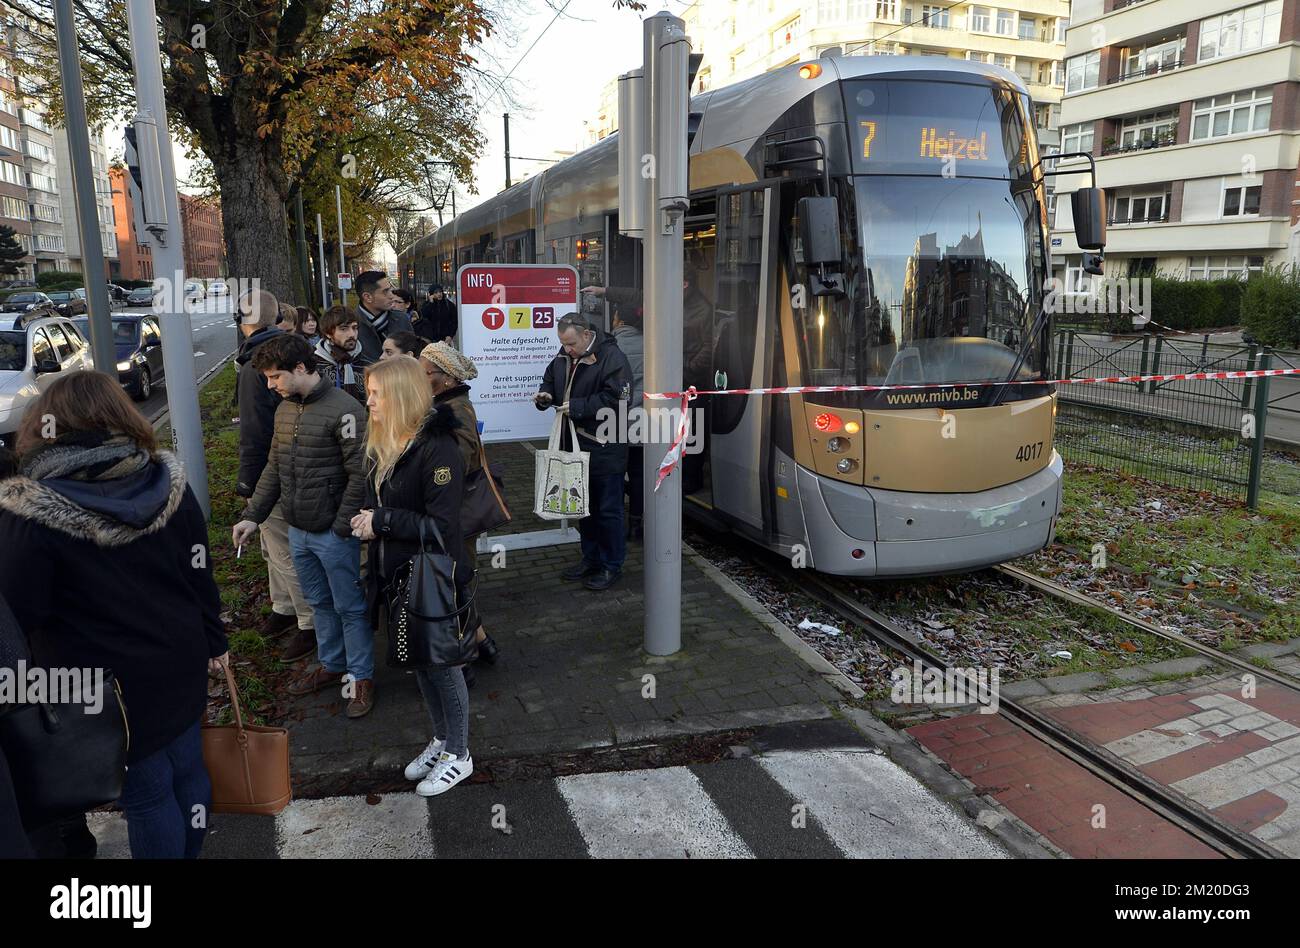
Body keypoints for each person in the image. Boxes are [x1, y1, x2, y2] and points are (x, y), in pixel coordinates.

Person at [0, 373, 228, 858]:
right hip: (181, 658)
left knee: (147, 796)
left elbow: (18, 614)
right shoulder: (170, 483)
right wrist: (216, 641)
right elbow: (199, 571)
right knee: (188, 771)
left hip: (106, 688)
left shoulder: (29, 517)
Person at [232, 334, 375, 717]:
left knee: (349, 606)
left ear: (300, 368)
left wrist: (342, 526)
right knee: (320, 602)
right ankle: (332, 664)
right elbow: (275, 468)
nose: (270, 385)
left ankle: (361, 677)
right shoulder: (285, 409)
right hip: (299, 528)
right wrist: (252, 516)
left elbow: (359, 475)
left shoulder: (345, 410)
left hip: (331, 532)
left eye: (275, 377)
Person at [350, 357, 475, 796]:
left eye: (376, 394)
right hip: (398, 575)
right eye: (368, 393)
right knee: (418, 663)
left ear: (401, 395)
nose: (369, 402)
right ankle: (442, 740)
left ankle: (459, 755)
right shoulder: (388, 443)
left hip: (434, 577)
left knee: (443, 665)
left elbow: (441, 527)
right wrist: (366, 519)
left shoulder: (438, 448)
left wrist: (381, 521)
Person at [235, 289, 316, 659]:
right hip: (288, 466)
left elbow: (253, 432)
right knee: (274, 548)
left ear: (243, 321)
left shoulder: (255, 366)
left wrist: (248, 485)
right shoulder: (282, 351)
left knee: (283, 549)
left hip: (275, 472)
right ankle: (284, 608)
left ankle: (309, 622)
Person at [533, 312, 632, 591]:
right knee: (583, 507)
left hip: (605, 446)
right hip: (575, 443)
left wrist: (577, 406)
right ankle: (591, 558)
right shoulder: (567, 355)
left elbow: (619, 401)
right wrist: (546, 396)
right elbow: (551, 378)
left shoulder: (613, 358)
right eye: (563, 344)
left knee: (608, 509)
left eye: (571, 344)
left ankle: (612, 565)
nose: (567, 349)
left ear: (587, 335)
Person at [421, 341, 501, 671]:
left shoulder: (454, 411)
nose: (417, 377)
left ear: (447, 378)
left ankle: (465, 655)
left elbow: (459, 461)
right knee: (453, 579)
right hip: (450, 512)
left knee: (455, 578)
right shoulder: (445, 403)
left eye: (422, 372)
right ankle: (481, 642)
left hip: (454, 512)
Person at [609, 306, 645, 540]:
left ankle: (617, 524)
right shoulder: (652, 344)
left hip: (615, 421)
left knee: (614, 474)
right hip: (645, 419)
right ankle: (637, 524)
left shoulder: (611, 349)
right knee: (640, 473)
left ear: (619, 320)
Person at [313, 304, 374, 404]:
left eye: (354, 328)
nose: (351, 334)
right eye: (343, 329)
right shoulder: (313, 365)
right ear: (328, 333)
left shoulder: (368, 364)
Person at [354, 271, 413, 362]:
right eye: (385, 291)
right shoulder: (350, 324)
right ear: (367, 297)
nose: (391, 296)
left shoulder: (402, 319)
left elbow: (413, 353)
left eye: (390, 289)